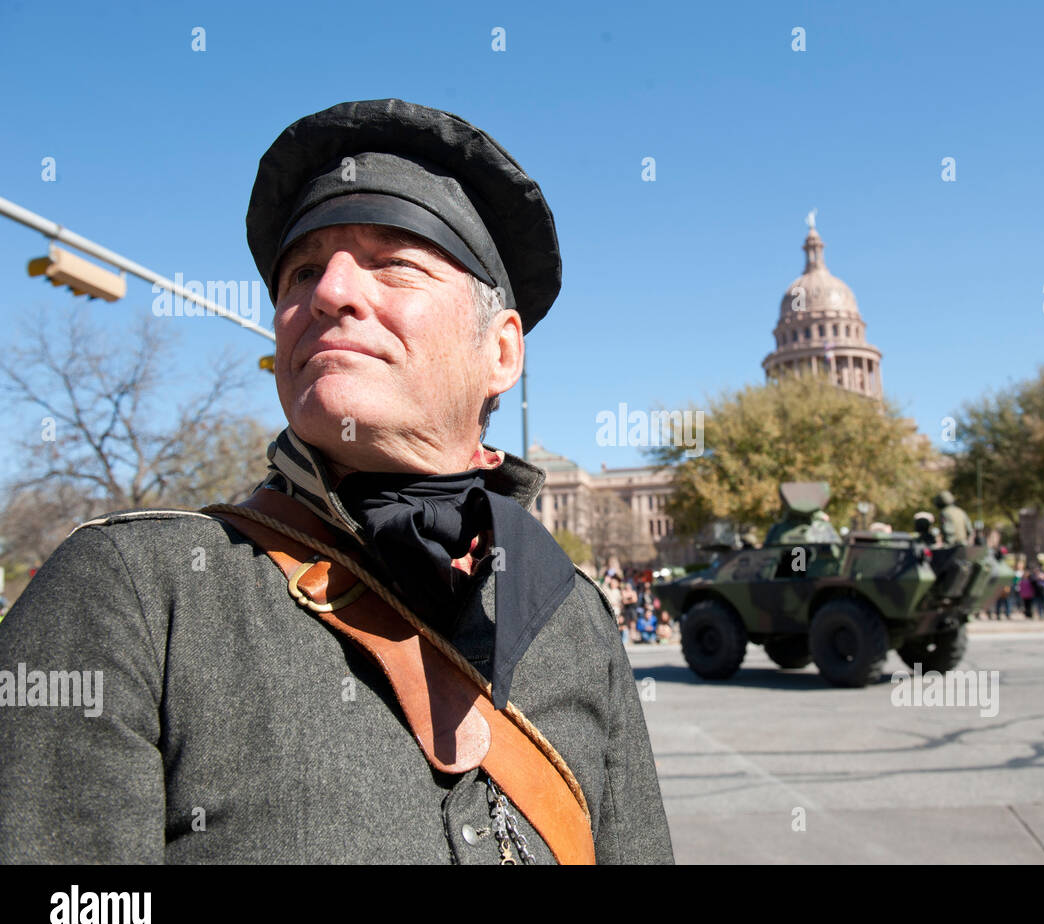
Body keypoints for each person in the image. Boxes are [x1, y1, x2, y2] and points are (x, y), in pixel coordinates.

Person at [0, 99, 672, 865]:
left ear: (502, 353)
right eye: (303, 271)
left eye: (393, 263)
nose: (328, 292)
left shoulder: (570, 612)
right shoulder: (134, 592)